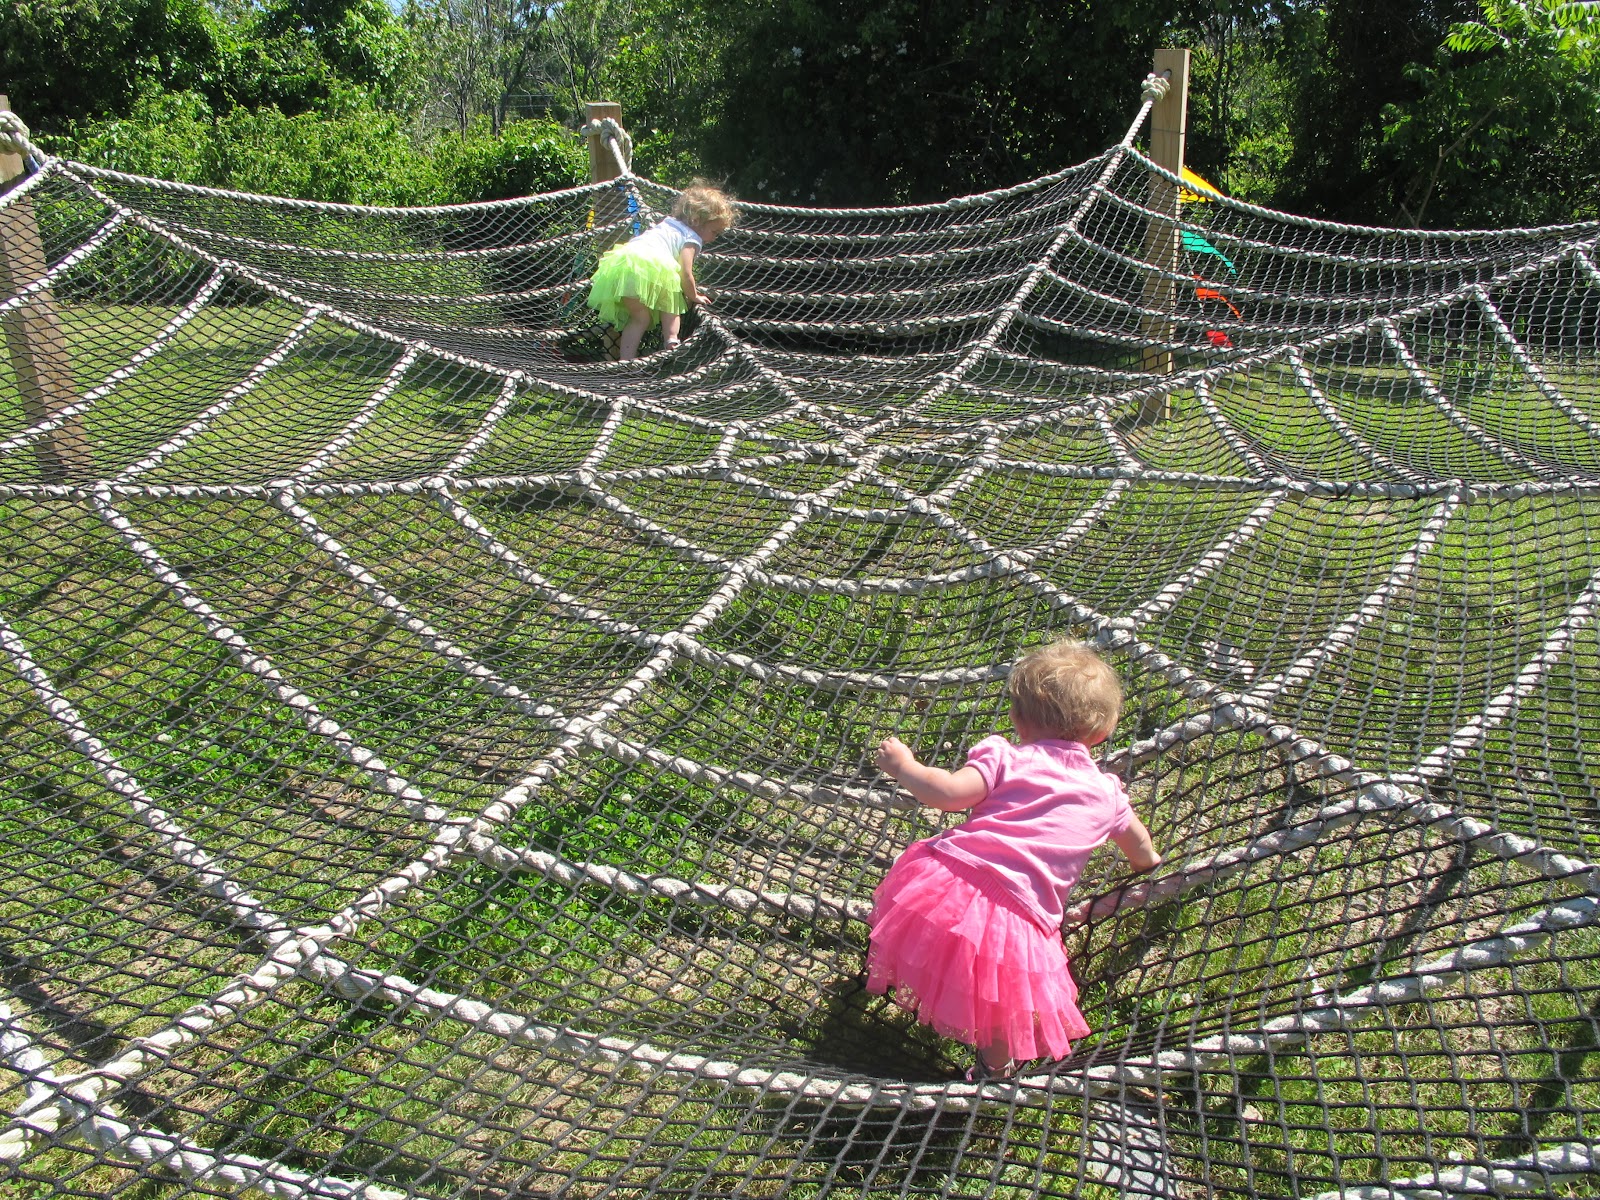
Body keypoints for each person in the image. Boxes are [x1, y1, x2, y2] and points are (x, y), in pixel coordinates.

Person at [868, 639, 1162, 1081]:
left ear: (1017, 719)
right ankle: (996, 1067)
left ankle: (908, 980)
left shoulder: (1006, 757)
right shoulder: (1109, 795)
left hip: (955, 882)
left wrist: (904, 765)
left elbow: (947, 793)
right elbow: (1141, 849)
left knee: (937, 942)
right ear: (1102, 734)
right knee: (1002, 1000)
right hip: (1023, 917)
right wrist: (1149, 866)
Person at [586, 181, 736, 361]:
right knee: (672, 299)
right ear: (696, 220)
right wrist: (694, 295)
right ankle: (671, 340)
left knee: (640, 318)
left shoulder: (669, 222)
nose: (714, 238)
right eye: (715, 232)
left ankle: (626, 360)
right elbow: (685, 272)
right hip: (654, 262)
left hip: (626, 263)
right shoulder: (692, 238)